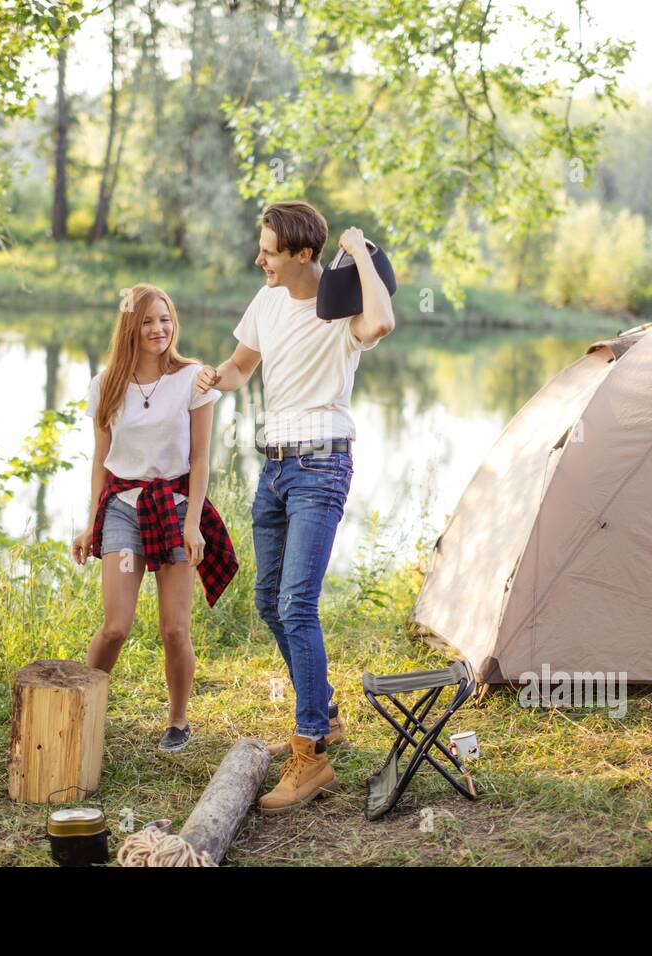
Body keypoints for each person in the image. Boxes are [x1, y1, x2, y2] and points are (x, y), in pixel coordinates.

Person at [196, 201, 395, 814]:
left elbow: (382, 325)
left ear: (304, 254)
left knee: (296, 602)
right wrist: (210, 376)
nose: (259, 259)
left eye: (269, 251)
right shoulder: (265, 302)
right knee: (267, 599)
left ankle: (310, 753)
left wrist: (358, 250)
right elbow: (240, 367)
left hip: (321, 464)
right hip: (276, 466)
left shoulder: (342, 308)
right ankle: (326, 709)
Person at [72, 283, 238, 752]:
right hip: (124, 506)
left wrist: (192, 526)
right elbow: (100, 460)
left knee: (174, 627)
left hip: (175, 506)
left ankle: (179, 720)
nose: (158, 329)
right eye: (147, 320)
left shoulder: (193, 379)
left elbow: (202, 458)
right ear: (130, 325)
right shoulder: (105, 384)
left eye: (164, 319)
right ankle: (82, 708)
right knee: (115, 625)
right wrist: (91, 523)